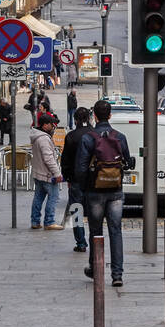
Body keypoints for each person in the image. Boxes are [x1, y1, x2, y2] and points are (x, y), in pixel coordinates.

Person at [75, 99, 134, 289]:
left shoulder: (88, 138)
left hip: (95, 190)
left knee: (95, 232)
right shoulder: (120, 136)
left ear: (95, 115)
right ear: (110, 115)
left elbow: (81, 168)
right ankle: (117, 275)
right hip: (115, 191)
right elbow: (127, 161)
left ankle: (95, 268)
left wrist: (84, 188)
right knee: (116, 232)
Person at [61, 105, 92, 253]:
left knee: (77, 210)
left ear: (75, 119)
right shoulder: (96, 134)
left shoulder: (71, 136)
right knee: (94, 210)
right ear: (89, 118)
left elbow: (65, 160)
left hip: (76, 179)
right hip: (94, 180)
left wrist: (67, 177)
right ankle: (95, 238)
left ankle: (81, 242)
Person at [29, 111, 64, 230]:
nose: (53, 127)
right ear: (44, 125)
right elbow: (48, 159)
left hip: (39, 173)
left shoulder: (37, 136)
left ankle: (35, 221)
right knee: (53, 197)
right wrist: (57, 173)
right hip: (47, 175)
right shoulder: (43, 139)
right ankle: (49, 221)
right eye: (51, 125)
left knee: (38, 197)